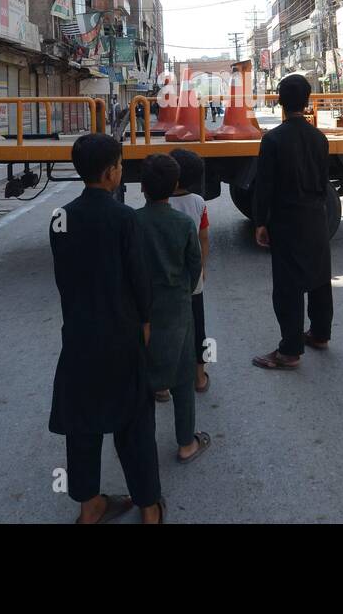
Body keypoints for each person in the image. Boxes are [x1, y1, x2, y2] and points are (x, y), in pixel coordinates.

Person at [49, 133, 164, 523]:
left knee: (83, 424)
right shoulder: (124, 218)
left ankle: (90, 504)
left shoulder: (60, 218)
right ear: (111, 172)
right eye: (118, 164)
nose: (119, 171)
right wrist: (145, 321)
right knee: (134, 424)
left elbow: (64, 277)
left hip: (80, 336)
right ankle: (149, 507)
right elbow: (139, 279)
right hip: (122, 335)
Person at [251, 74, 334, 370]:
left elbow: (265, 186)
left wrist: (261, 222)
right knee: (320, 277)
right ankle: (320, 333)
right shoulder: (320, 138)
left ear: (281, 102)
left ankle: (289, 350)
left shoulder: (272, 139)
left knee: (288, 284)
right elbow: (324, 181)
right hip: (316, 215)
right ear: (308, 101)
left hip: (287, 219)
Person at [134, 154, 210, 465]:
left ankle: (140, 445)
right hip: (178, 308)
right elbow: (194, 267)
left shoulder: (132, 222)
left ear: (142, 187)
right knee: (182, 378)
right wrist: (182, 290)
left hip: (142, 310)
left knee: (141, 378)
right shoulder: (183, 223)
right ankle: (186, 443)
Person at [169, 148, 211, 393]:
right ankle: (199, 377)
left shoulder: (157, 202)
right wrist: (202, 267)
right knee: (198, 326)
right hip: (192, 278)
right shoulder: (199, 203)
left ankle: (163, 384)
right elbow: (203, 238)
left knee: (164, 326)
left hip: (163, 279)